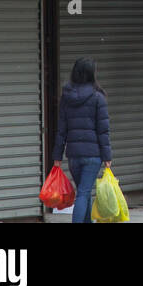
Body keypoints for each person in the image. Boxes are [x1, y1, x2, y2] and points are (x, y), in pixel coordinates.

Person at [52, 57, 112, 224]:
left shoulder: (66, 97)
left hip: (73, 156)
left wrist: (57, 156)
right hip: (93, 156)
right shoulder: (98, 97)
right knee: (84, 193)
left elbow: (61, 129)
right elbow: (103, 130)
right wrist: (107, 156)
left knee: (84, 192)